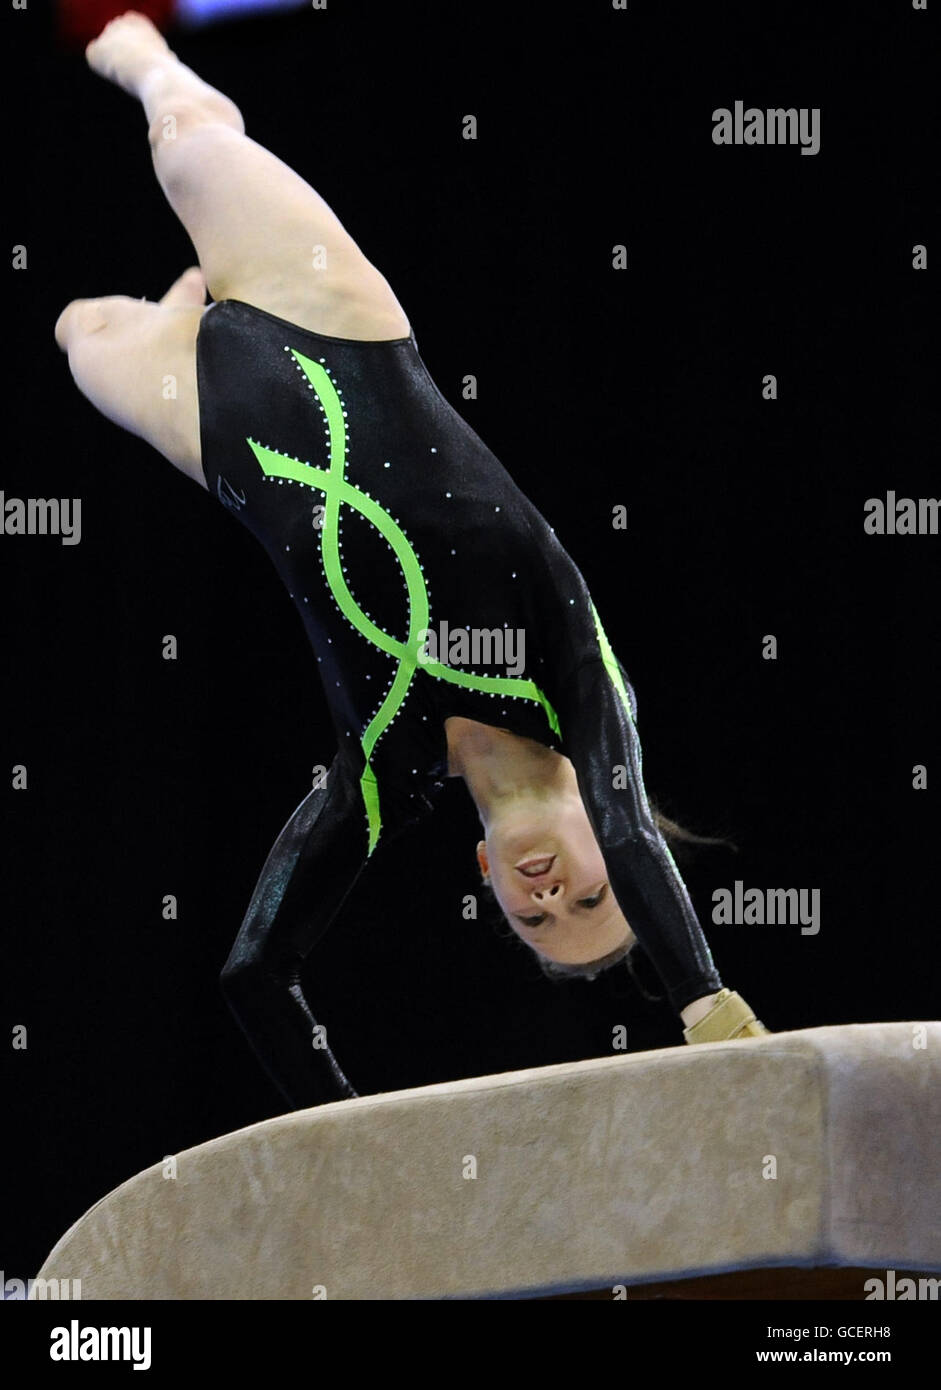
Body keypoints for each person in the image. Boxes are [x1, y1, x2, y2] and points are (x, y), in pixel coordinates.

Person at [55, 11, 767, 1111]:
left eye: (532, 919)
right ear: (602, 832)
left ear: (484, 879)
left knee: (74, 333)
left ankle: (175, 308)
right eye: (588, 897)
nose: (549, 898)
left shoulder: (380, 775)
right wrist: (708, 1010)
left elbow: (253, 968)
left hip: (219, 429)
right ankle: (155, 56)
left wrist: (340, 1133)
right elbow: (631, 830)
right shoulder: (577, 684)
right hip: (328, 317)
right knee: (183, 134)